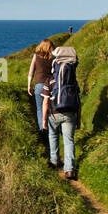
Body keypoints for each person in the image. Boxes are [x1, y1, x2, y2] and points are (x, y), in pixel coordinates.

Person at [44, 45, 81, 179]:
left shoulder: (50, 80)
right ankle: (69, 169)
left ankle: (54, 161)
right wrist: (79, 120)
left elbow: (45, 102)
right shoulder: (74, 82)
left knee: (53, 135)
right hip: (70, 113)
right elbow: (78, 101)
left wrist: (43, 120)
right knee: (69, 140)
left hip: (53, 113)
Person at [27, 39, 54, 133]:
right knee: (50, 108)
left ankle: (42, 129)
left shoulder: (36, 56)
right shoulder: (53, 57)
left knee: (39, 109)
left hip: (39, 84)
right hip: (51, 85)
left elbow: (31, 72)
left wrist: (29, 86)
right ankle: (51, 129)